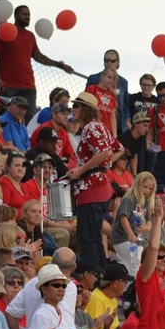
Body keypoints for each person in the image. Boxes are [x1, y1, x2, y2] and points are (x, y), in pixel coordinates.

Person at [68, 92, 122, 270]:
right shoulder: (100, 126)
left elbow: (105, 152)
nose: (73, 109)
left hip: (92, 188)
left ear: (86, 109)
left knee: (86, 238)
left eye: (76, 106)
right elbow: (118, 149)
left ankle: (94, 275)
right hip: (101, 186)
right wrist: (104, 166)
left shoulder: (91, 128)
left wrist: (82, 170)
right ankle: (100, 272)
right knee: (94, 236)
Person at [0, 4, 72, 110]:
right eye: (24, 14)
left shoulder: (30, 36)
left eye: (29, 15)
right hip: (8, 84)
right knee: (8, 116)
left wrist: (60, 65)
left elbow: (39, 57)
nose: (27, 17)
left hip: (28, 86)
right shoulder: (5, 31)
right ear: (16, 15)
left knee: (29, 117)